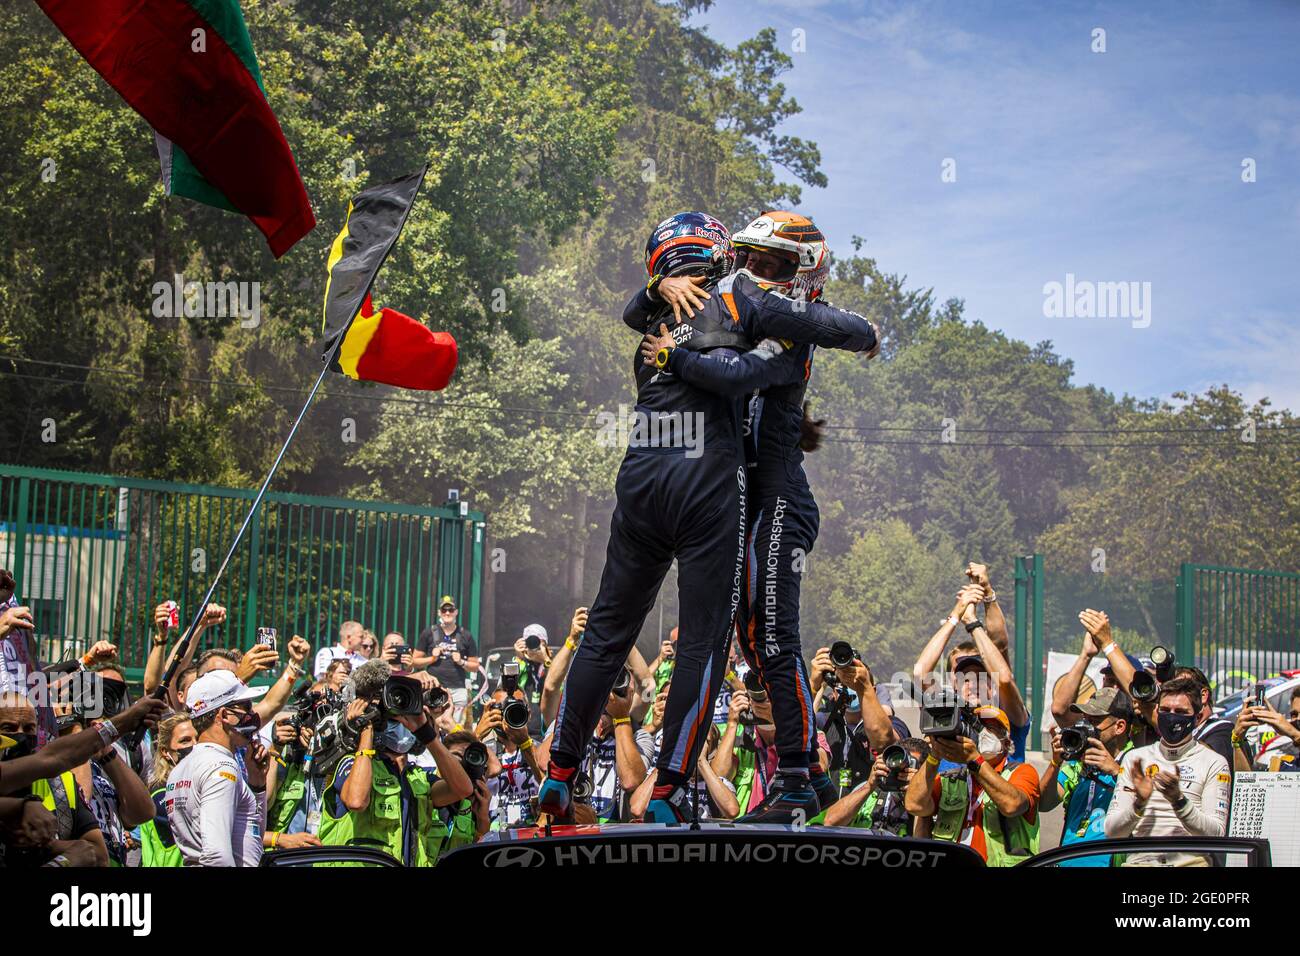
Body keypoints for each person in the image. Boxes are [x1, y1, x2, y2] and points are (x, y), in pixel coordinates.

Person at [541, 211, 879, 823]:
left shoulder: (766, 318)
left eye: (774, 265)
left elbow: (817, 336)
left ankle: (799, 779)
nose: (758, 272)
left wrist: (867, 333)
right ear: (725, 257)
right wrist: (661, 303)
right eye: (752, 260)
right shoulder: (714, 310)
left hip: (773, 500)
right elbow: (702, 348)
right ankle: (667, 783)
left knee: (766, 637)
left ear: (803, 275)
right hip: (724, 495)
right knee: (739, 638)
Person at [319, 698, 472, 866]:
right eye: (393, 720)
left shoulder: (417, 778)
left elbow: (462, 790)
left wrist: (427, 734)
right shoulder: (353, 764)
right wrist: (366, 731)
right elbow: (356, 801)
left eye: (405, 720)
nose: (402, 727)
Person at [1104, 676, 1229, 866]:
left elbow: (1216, 834)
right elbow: (1112, 832)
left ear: (1196, 718)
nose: (1171, 716)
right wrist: (1139, 803)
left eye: (1180, 711)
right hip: (1140, 863)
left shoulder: (1214, 762)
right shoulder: (1134, 759)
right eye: (1165, 710)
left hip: (1191, 863)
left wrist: (1178, 801)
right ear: (1156, 711)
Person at [905, 705, 1041, 866]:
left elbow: (1012, 805)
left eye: (990, 728)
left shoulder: (1022, 772)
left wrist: (975, 760)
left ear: (1006, 742)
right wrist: (935, 755)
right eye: (976, 727)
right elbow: (914, 805)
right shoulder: (951, 778)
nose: (982, 733)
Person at [166, 670, 270, 867]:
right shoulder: (222, 768)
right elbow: (216, 856)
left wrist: (257, 783)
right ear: (224, 715)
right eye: (246, 707)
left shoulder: (181, 768)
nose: (252, 715)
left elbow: (251, 834)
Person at [0, 691, 108, 866]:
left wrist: (46, 847)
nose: (21, 736)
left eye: (28, 729)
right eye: (8, 728)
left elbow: (98, 855)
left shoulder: (62, 783)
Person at [1038, 687, 1135, 866]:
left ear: (1119, 727)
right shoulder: (1078, 764)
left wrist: (1116, 771)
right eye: (1085, 719)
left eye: (1095, 720)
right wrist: (1055, 763)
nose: (1087, 726)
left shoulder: (1137, 761)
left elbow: (1146, 804)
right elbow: (1043, 803)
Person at [820, 738, 929, 835]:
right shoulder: (869, 788)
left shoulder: (928, 798)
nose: (900, 768)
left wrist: (917, 792)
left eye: (910, 764)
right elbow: (830, 822)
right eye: (896, 761)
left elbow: (922, 841)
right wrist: (869, 786)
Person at [414, 596, 479, 716]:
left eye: (450, 609)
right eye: (444, 610)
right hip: (433, 688)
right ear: (439, 612)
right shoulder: (429, 632)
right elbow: (414, 661)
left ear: (456, 612)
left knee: (454, 729)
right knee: (432, 725)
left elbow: (475, 666)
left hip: (458, 690)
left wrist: (461, 662)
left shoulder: (466, 635)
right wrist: (432, 658)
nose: (447, 613)